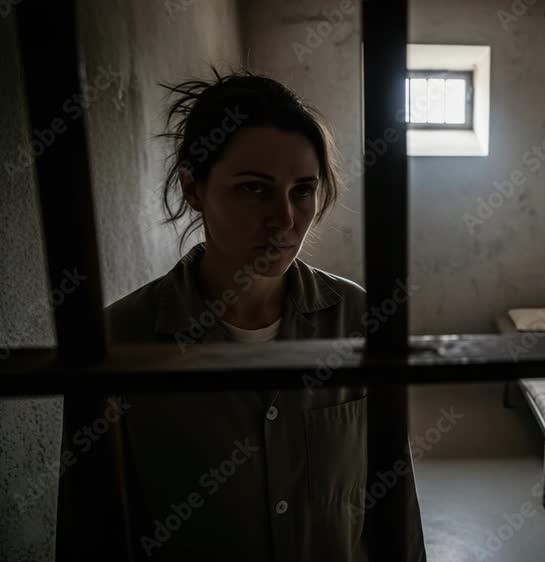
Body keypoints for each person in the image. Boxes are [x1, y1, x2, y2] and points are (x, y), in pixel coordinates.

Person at [61, 68, 426, 562]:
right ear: (193, 188)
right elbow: (92, 529)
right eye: (254, 189)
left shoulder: (360, 319)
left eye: (302, 190)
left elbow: (394, 503)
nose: (285, 218)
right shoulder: (118, 340)